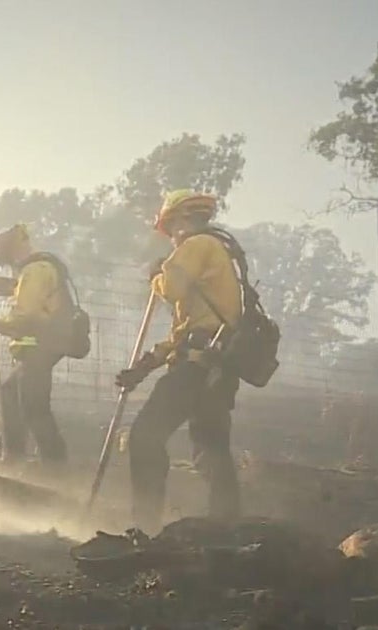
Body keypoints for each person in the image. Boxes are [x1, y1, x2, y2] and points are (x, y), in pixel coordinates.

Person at [115, 189, 242, 533]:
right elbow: (182, 335)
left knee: (145, 435)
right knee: (209, 445)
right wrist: (145, 366)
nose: (170, 238)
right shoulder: (214, 252)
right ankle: (226, 525)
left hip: (199, 365)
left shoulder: (196, 245)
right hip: (215, 363)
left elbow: (169, 288)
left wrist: (156, 274)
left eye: (170, 228)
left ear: (183, 218)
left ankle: (145, 524)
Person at [0, 224, 71, 474]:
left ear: (10, 251)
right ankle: (16, 457)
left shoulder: (34, 271)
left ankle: (53, 465)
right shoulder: (41, 267)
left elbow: (28, 312)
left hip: (42, 344)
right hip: (42, 343)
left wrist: (4, 323)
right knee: (12, 393)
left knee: (34, 406)